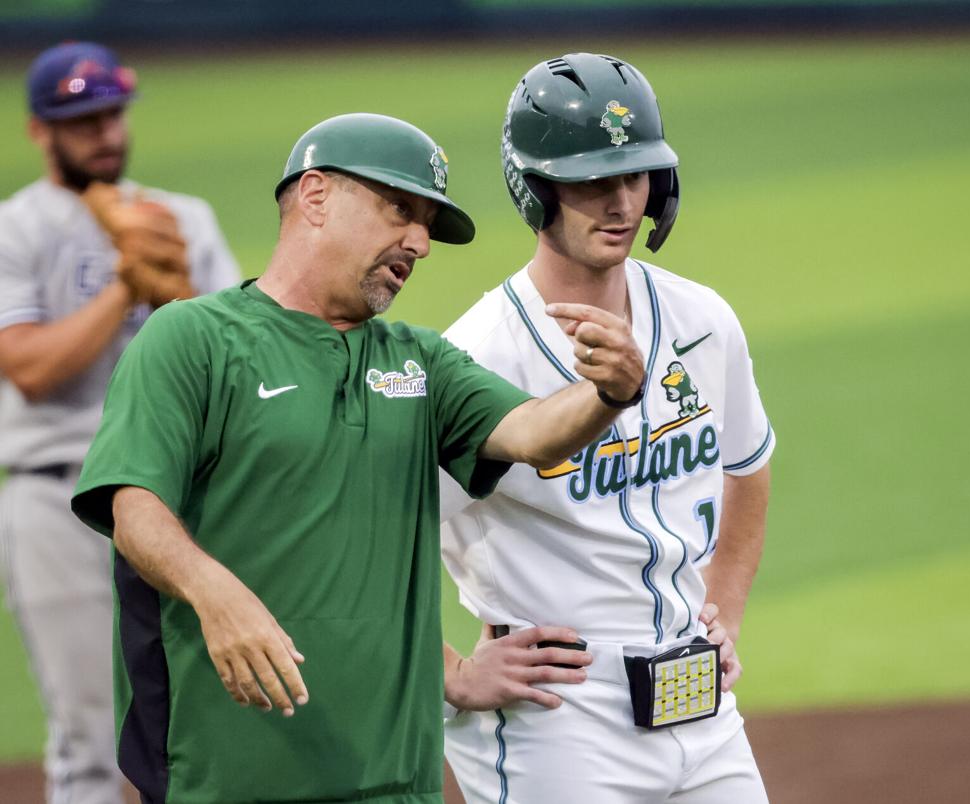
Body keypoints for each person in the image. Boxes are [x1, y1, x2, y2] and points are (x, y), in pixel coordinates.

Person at [70, 111, 649, 803]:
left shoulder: (417, 360)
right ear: (315, 196)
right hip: (229, 773)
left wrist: (609, 393)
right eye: (399, 210)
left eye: (427, 223)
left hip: (394, 783)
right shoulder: (193, 339)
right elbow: (133, 504)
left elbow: (533, 431)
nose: (420, 242)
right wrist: (214, 593)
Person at [439, 53, 775, 803]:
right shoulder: (478, 355)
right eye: (590, 180)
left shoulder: (700, 319)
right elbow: (373, 543)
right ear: (535, 187)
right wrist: (453, 676)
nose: (619, 202)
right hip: (560, 713)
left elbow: (747, 466)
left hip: (700, 697)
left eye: (635, 175)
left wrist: (726, 609)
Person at [0, 41, 239, 804]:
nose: (104, 132)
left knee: (211, 724)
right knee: (93, 739)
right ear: (42, 130)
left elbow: (232, 360)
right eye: (82, 120)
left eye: (111, 114)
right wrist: (120, 290)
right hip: (58, 501)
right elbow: (31, 369)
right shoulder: (16, 230)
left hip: (180, 502)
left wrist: (170, 288)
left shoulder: (181, 218)